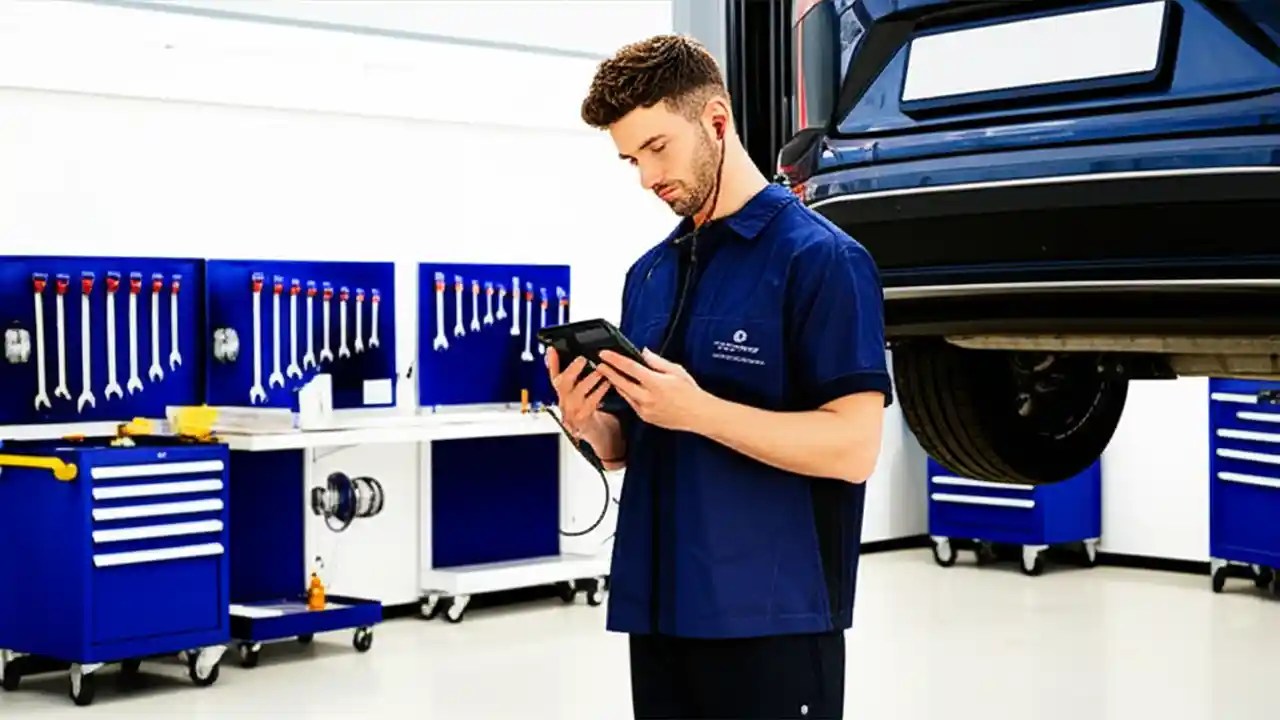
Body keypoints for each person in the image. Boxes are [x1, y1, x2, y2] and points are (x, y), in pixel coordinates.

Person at [545, 34, 892, 720]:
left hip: (772, 622)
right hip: (661, 613)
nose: (646, 177)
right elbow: (634, 444)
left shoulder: (822, 262)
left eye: (657, 148)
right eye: (630, 159)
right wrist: (590, 424)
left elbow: (854, 449)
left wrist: (699, 410)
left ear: (716, 120)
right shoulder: (648, 275)